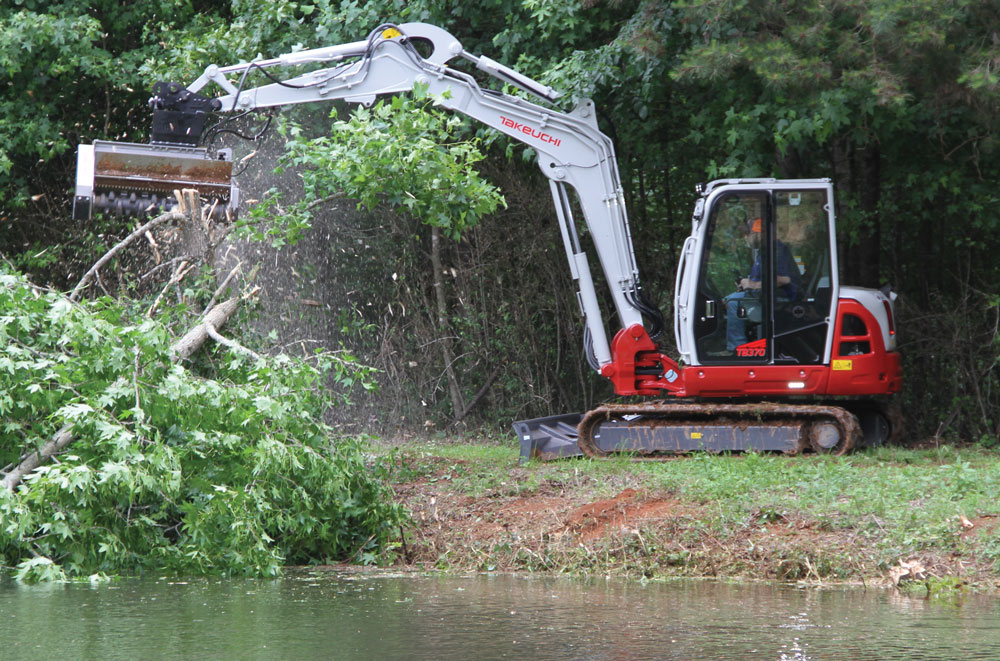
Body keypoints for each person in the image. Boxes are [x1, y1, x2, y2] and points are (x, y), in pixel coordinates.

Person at [723, 217, 799, 352]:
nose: (746, 239)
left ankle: (736, 347)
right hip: (764, 295)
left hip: (779, 299)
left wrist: (751, 285)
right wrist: (747, 283)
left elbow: (784, 280)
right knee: (729, 299)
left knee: (732, 302)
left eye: (748, 235)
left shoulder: (776, 251)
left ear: (758, 234)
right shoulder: (764, 252)